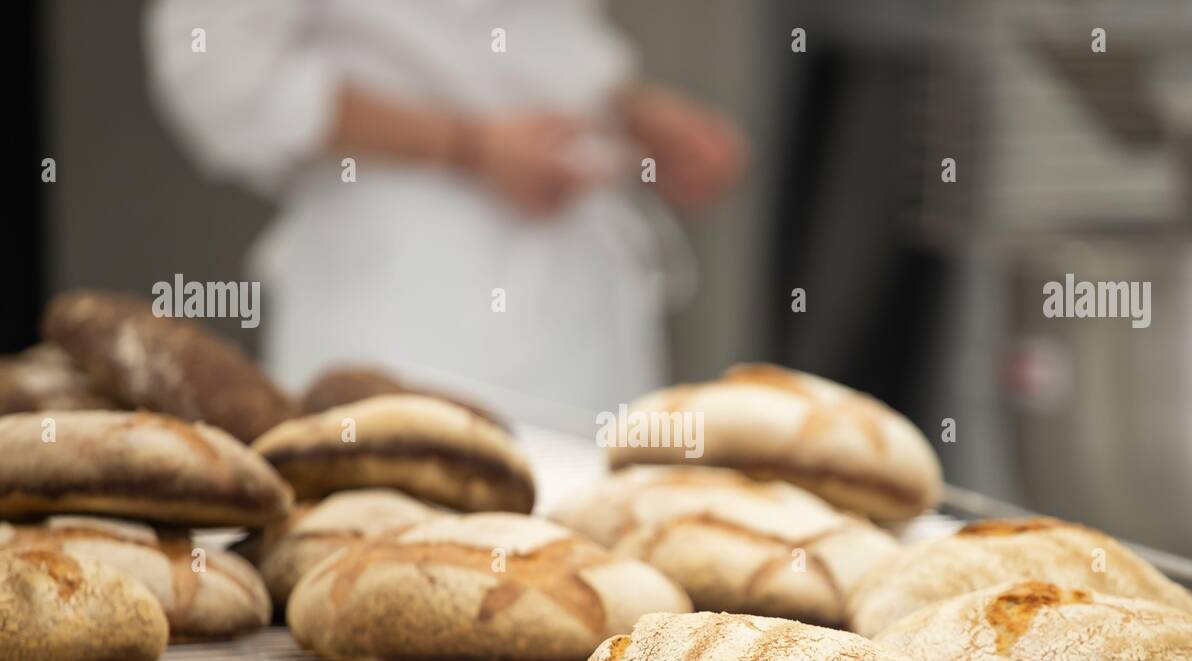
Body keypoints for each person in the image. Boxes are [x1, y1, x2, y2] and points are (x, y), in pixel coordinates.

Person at [144, 0, 745, 421]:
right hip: (404, 292)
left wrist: (624, 113)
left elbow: (530, 39)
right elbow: (223, 70)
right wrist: (469, 144)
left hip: (579, 293)